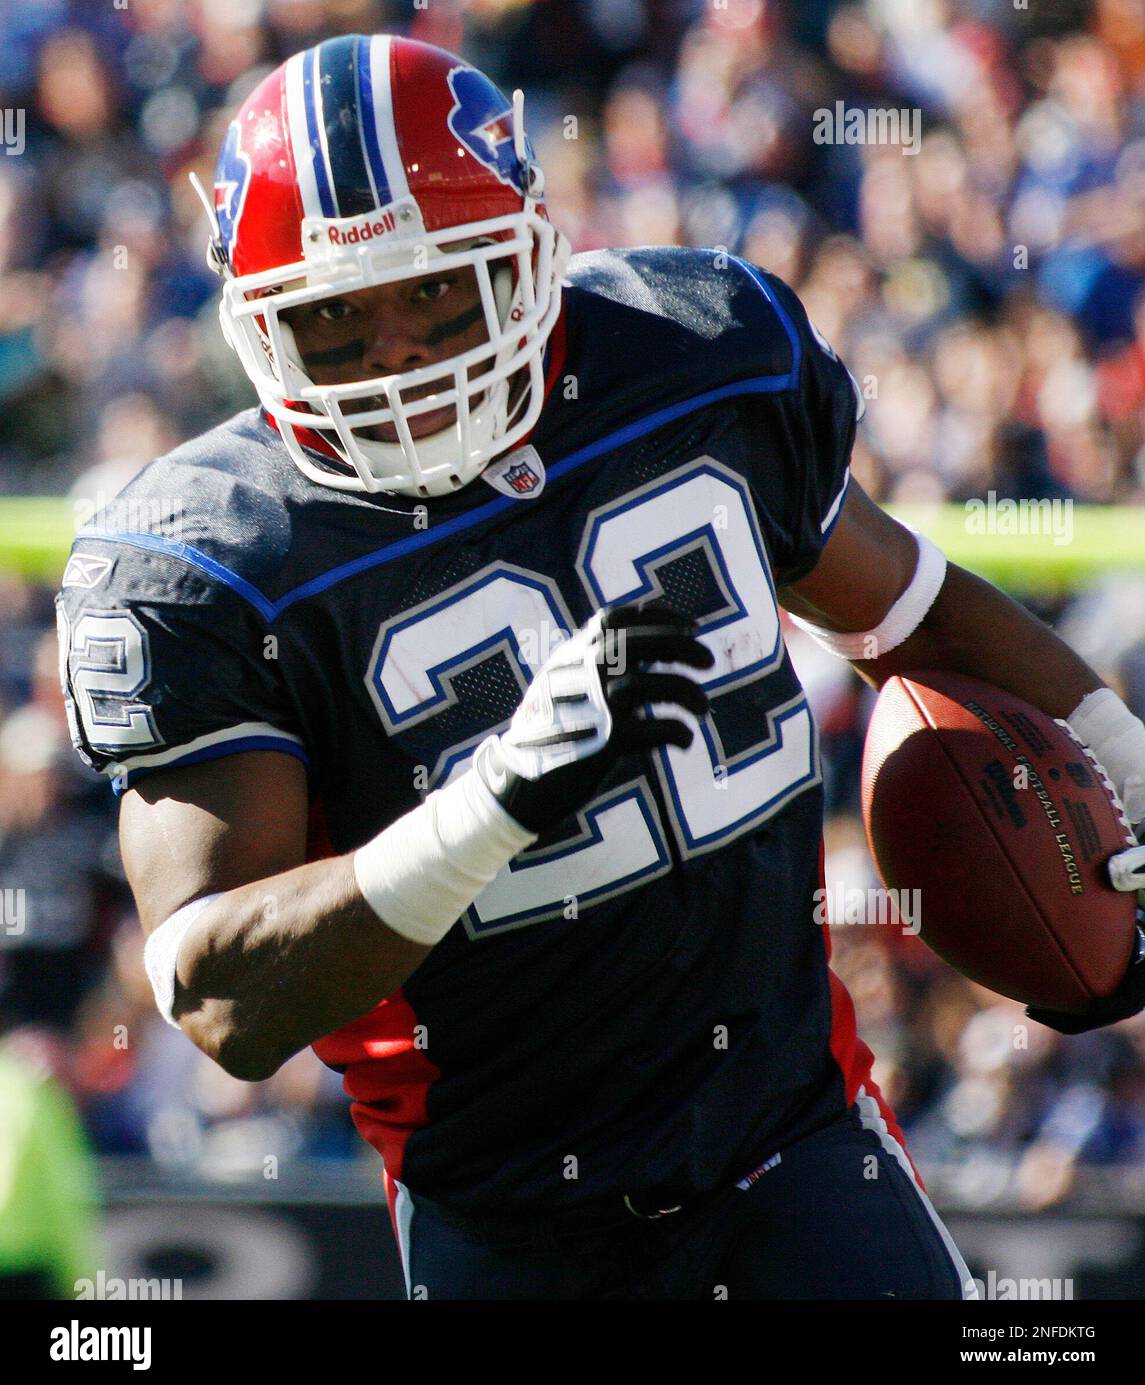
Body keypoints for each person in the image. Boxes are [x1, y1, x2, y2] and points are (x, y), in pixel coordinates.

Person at [56, 34, 1145, 1300]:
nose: (400, 357)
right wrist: (496, 801)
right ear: (258, 329)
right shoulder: (215, 563)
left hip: (794, 1136)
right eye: (335, 318)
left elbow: (906, 606)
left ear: (527, 258)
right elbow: (220, 995)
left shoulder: (689, 357)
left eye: (440, 294)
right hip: (510, 1215)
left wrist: (1124, 762)